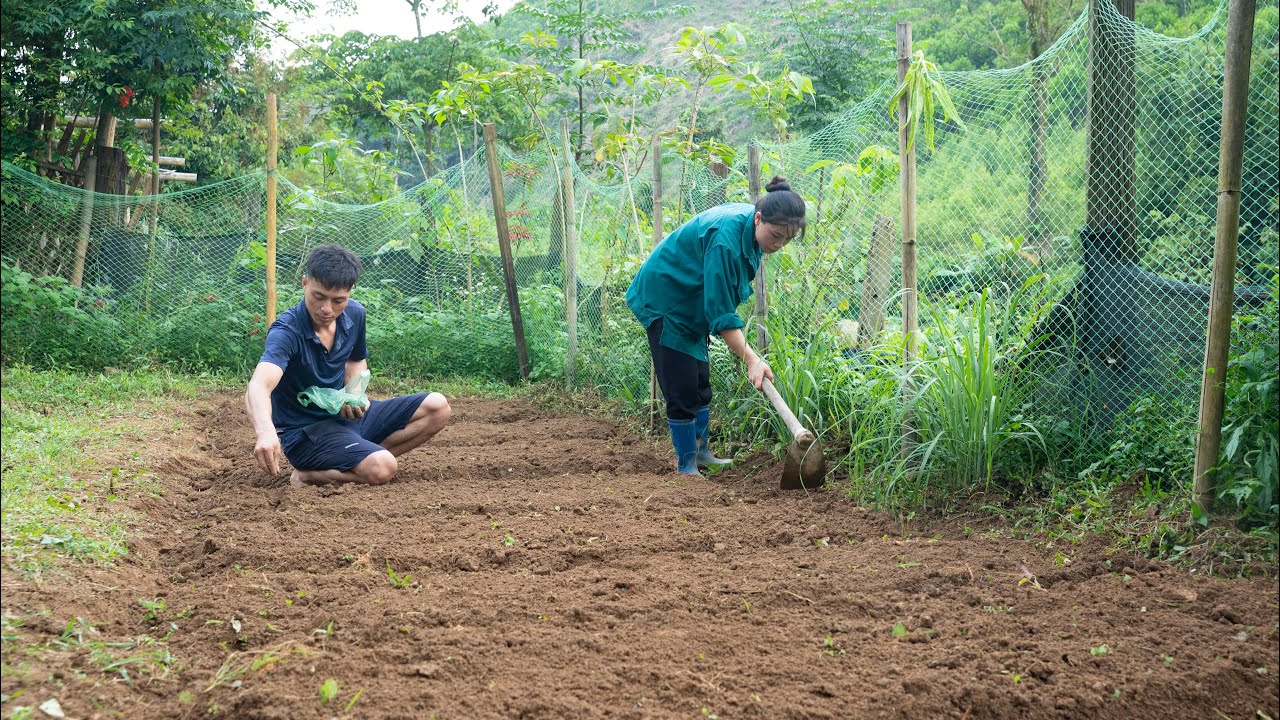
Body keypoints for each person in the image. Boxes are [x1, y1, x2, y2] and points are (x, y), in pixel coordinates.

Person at [626, 176, 806, 476]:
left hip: (690, 300)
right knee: (681, 387)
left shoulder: (750, 227)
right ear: (758, 218)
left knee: (700, 383)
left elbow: (720, 297)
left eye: (787, 239)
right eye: (775, 236)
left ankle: (703, 454)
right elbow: (721, 313)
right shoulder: (726, 239)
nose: (778, 245)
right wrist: (752, 359)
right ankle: (686, 466)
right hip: (666, 299)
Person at [244, 244, 452, 487]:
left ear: (351, 291)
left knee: (438, 407)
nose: (326, 309)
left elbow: (356, 360)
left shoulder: (354, 314)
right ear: (304, 283)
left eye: (338, 300)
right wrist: (265, 432)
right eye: (318, 296)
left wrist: (353, 395)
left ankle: (357, 461)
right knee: (383, 467)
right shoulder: (287, 331)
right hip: (307, 433)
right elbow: (258, 386)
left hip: (346, 419)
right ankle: (310, 474)